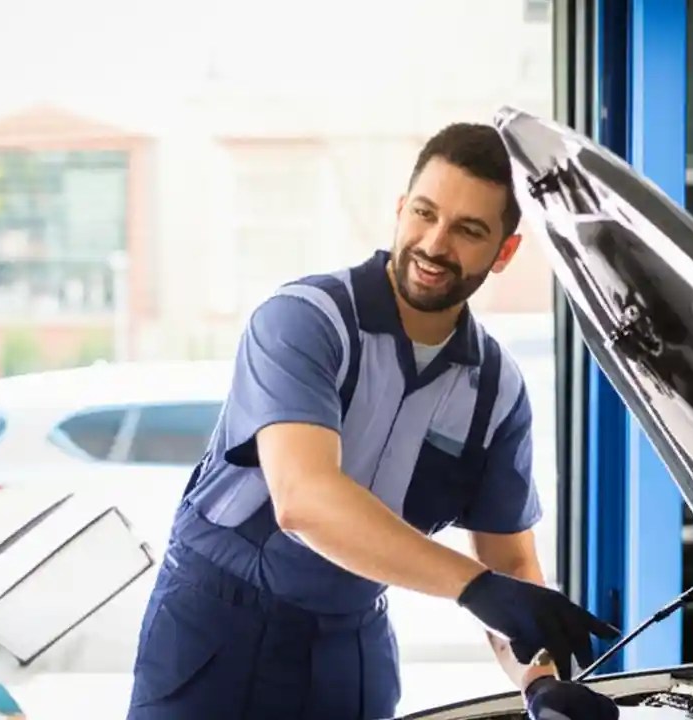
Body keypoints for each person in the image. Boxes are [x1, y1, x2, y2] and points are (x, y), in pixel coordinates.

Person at [127, 123, 621, 720]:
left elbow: (510, 568)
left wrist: (539, 681)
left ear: (504, 252)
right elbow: (303, 500)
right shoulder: (304, 322)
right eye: (425, 213)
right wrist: (476, 588)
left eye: (468, 230)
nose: (436, 244)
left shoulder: (495, 391)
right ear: (400, 209)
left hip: (348, 641)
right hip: (217, 627)